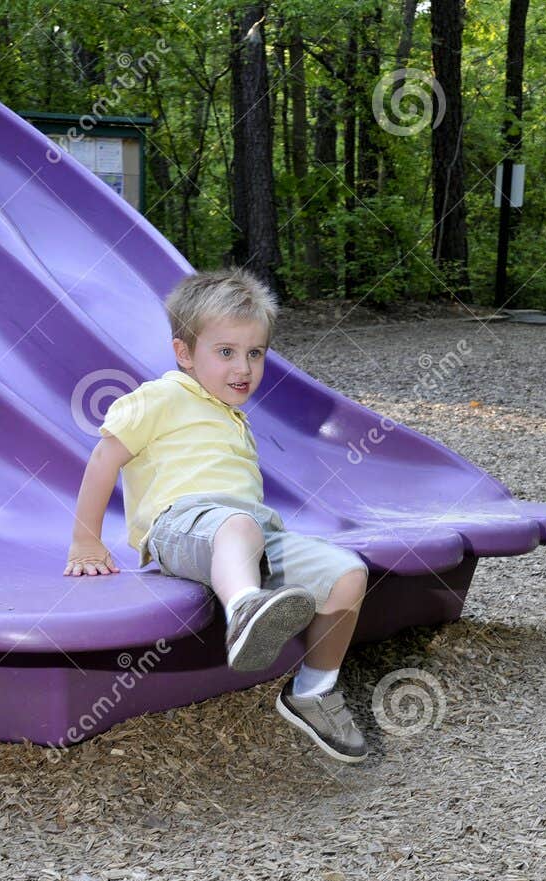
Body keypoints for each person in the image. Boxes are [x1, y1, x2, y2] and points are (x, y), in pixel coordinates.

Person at [63, 268, 370, 762]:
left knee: (348, 574)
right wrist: (86, 541)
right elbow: (104, 460)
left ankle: (312, 691)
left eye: (254, 353)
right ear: (184, 353)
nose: (243, 367)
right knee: (237, 525)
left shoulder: (234, 418)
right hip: (179, 527)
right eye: (225, 352)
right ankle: (246, 607)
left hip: (251, 534)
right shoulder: (162, 397)